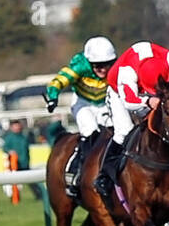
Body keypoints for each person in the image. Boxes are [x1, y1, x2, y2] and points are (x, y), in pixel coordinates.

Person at [94, 41, 169, 196]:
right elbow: (129, 101)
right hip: (119, 93)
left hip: (156, 89)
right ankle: (104, 176)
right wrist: (148, 101)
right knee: (124, 131)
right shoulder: (127, 72)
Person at [44, 36, 117, 198]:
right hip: (83, 103)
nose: (104, 70)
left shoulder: (117, 68)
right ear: (89, 62)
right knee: (90, 132)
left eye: (107, 64)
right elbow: (59, 80)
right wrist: (53, 96)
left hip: (106, 103)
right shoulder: (79, 65)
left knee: (117, 134)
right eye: (98, 65)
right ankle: (76, 171)